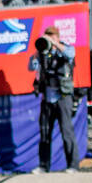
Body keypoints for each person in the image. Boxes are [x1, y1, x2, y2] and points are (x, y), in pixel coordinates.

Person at [29, 26, 77, 174]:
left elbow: (70, 54)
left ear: (57, 37)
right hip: (47, 99)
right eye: (47, 36)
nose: (49, 39)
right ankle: (44, 166)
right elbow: (31, 67)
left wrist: (55, 44)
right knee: (45, 132)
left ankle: (73, 165)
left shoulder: (65, 49)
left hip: (63, 97)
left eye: (52, 36)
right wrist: (37, 52)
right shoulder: (44, 53)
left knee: (66, 131)